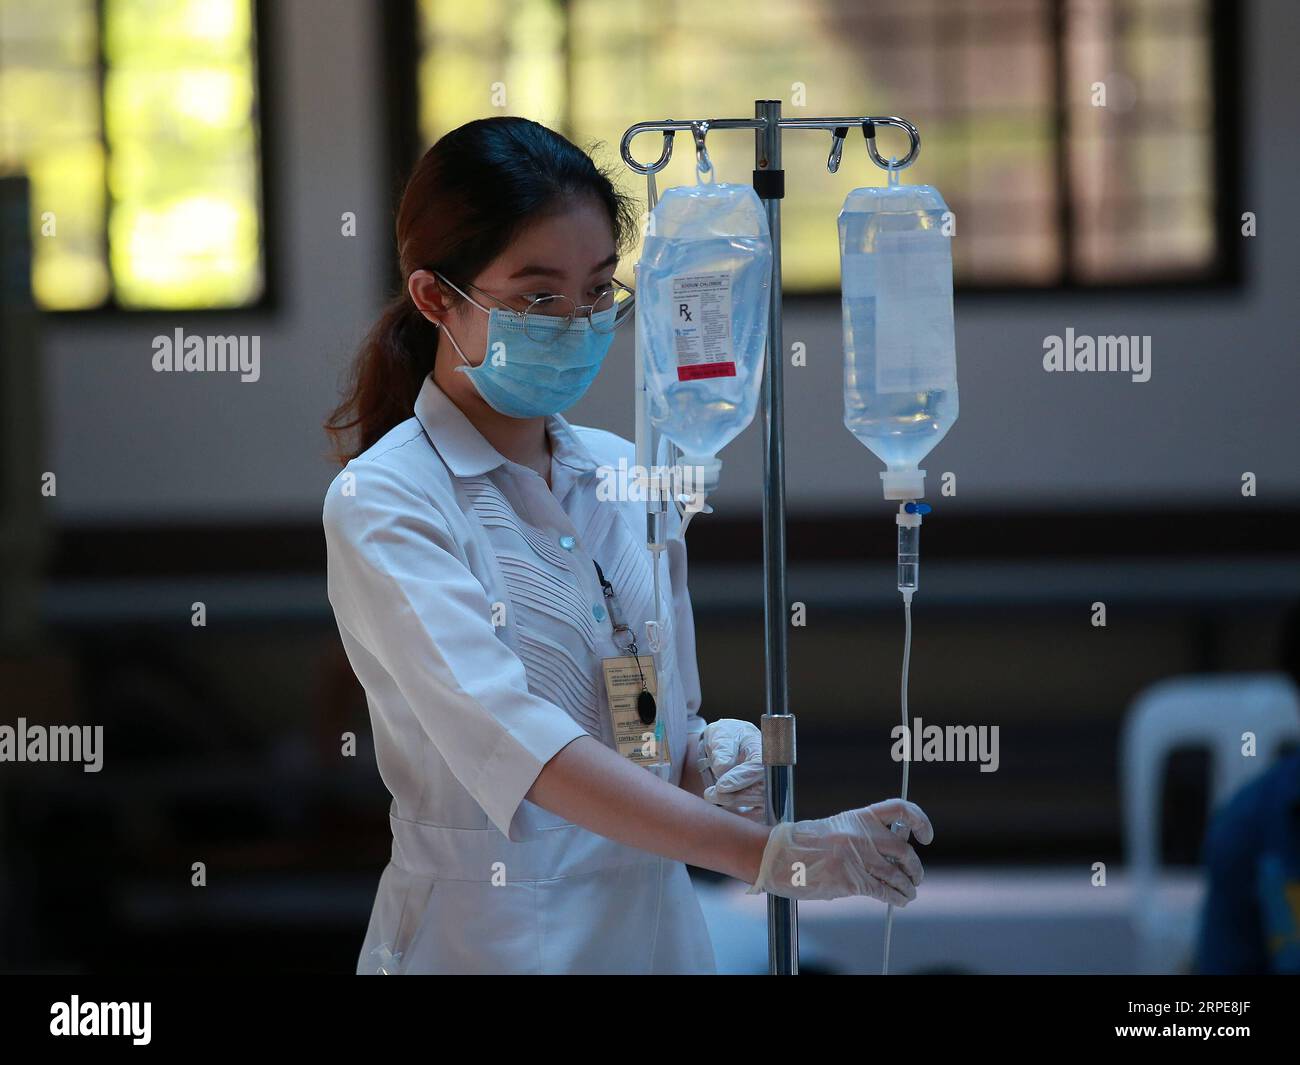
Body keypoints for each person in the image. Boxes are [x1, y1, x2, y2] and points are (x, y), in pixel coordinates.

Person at [322, 116, 933, 975]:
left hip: (653, 936)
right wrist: (771, 856)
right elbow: (521, 747)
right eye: (539, 297)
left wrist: (711, 764)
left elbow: (646, 736)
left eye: (599, 289)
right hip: (489, 941)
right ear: (434, 298)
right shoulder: (388, 502)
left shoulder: (623, 475)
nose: (576, 323)